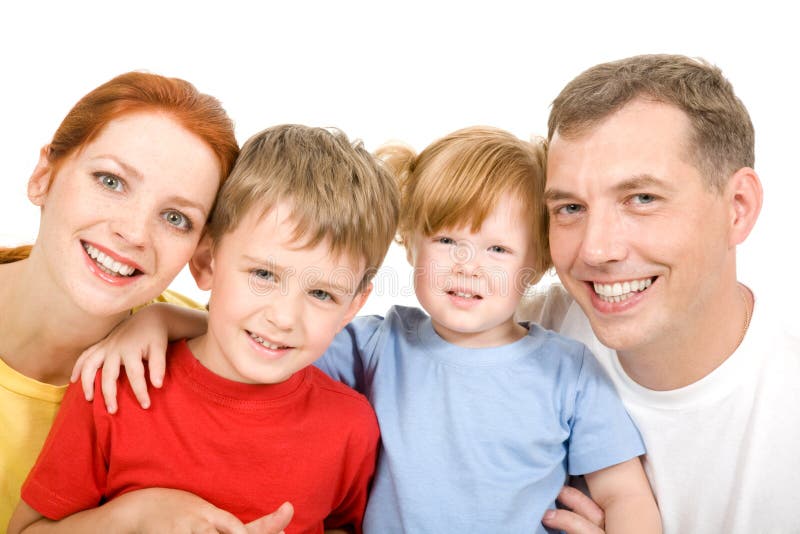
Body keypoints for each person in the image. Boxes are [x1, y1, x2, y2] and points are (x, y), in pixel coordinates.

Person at [77, 126, 661, 533]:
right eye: (447, 239)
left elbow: (624, 492)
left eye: (498, 249)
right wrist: (159, 317)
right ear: (410, 245)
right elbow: (266, 335)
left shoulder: (566, 370)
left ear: (537, 263)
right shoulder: (381, 343)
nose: (467, 266)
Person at [9, 124, 399, 534]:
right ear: (207, 262)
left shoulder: (352, 427)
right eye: (263, 275)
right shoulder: (114, 384)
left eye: (321, 294)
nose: (285, 318)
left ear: (354, 305)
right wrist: (132, 517)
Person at [521, 54, 800, 534]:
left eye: (642, 199)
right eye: (570, 207)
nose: (596, 250)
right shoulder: (519, 336)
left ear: (738, 208)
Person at [0, 71, 251, 531]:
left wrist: (167, 319)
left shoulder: (201, 358)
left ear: (201, 250)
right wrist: (124, 519)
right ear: (43, 177)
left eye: (175, 217)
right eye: (111, 181)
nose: (134, 232)